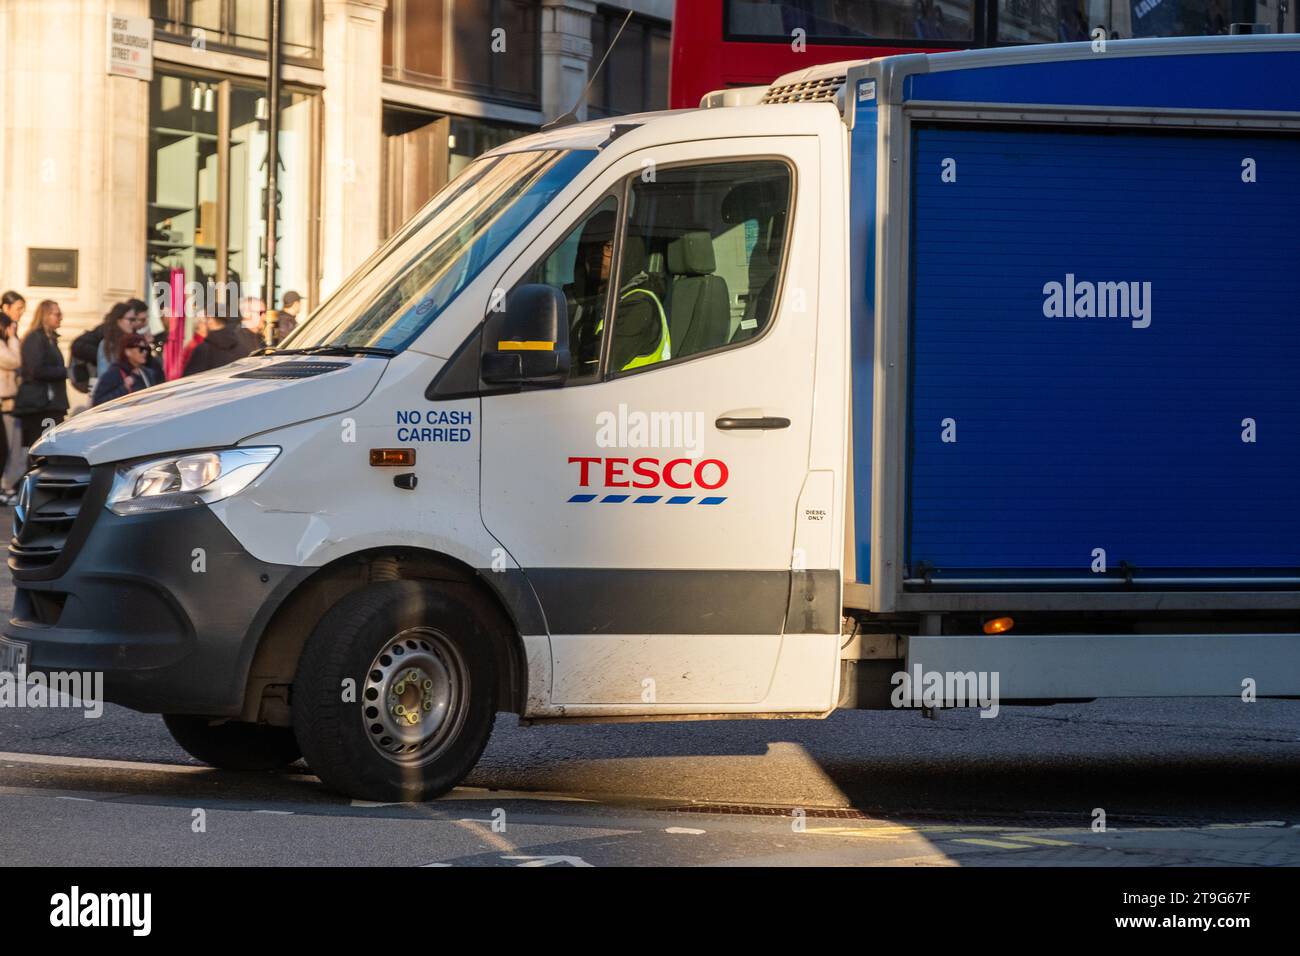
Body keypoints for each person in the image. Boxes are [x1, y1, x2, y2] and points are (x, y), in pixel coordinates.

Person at [14, 299, 69, 448]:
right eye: (57, 314)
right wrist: (65, 371)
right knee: (42, 449)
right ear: (45, 315)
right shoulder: (35, 338)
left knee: (50, 447)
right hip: (40, 407)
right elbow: (36, 370)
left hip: (50, 406)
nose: (61, 317)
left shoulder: (50, 339)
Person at [91, 333, 159, 406]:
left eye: (146, 349)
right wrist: (124, 388)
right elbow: (97, 403)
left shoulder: (147, 373)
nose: (145, 352)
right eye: (141, 349)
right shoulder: (114, 373)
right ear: (128, 352)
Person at [182, 311, 259, 375]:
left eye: (205, 319)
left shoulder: (204, 348)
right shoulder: (243, 345)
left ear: (210, 319)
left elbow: (189, 380)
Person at [0, 297, 23, 504]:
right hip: (4, 402)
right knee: (5, 447)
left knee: (11, 447)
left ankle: (7, 486)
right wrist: (14, 338)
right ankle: (5, 487)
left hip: (10, 402)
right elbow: (13, 361)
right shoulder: (4, 343)